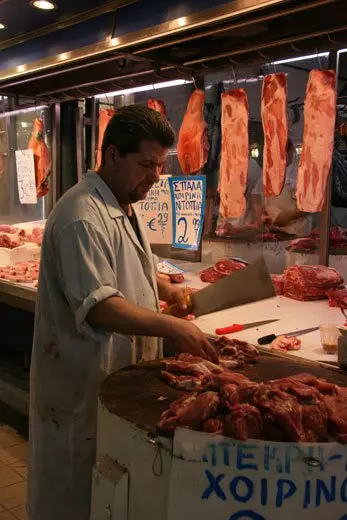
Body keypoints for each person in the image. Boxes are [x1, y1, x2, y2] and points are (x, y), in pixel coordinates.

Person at [28, 105, 217, 520]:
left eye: (160, 166)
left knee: (108, 496)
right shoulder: (82, 215)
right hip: (79, 396)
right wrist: (171, 326)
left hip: (110, 387)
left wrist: (164, 289)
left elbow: (125, 265)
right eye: (146, 164)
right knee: (74, 501)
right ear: (112, 155)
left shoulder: (122, 203)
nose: (154, 176)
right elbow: (100, 307)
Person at [263, 139, 312, 236]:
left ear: (291, 151)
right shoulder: (269, 171)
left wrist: (289, 217)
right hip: (272, 232)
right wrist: (262, 215)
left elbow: (309, 204)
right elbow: (258, 197)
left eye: (284, 152)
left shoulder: (301, 171)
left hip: (296, 233)